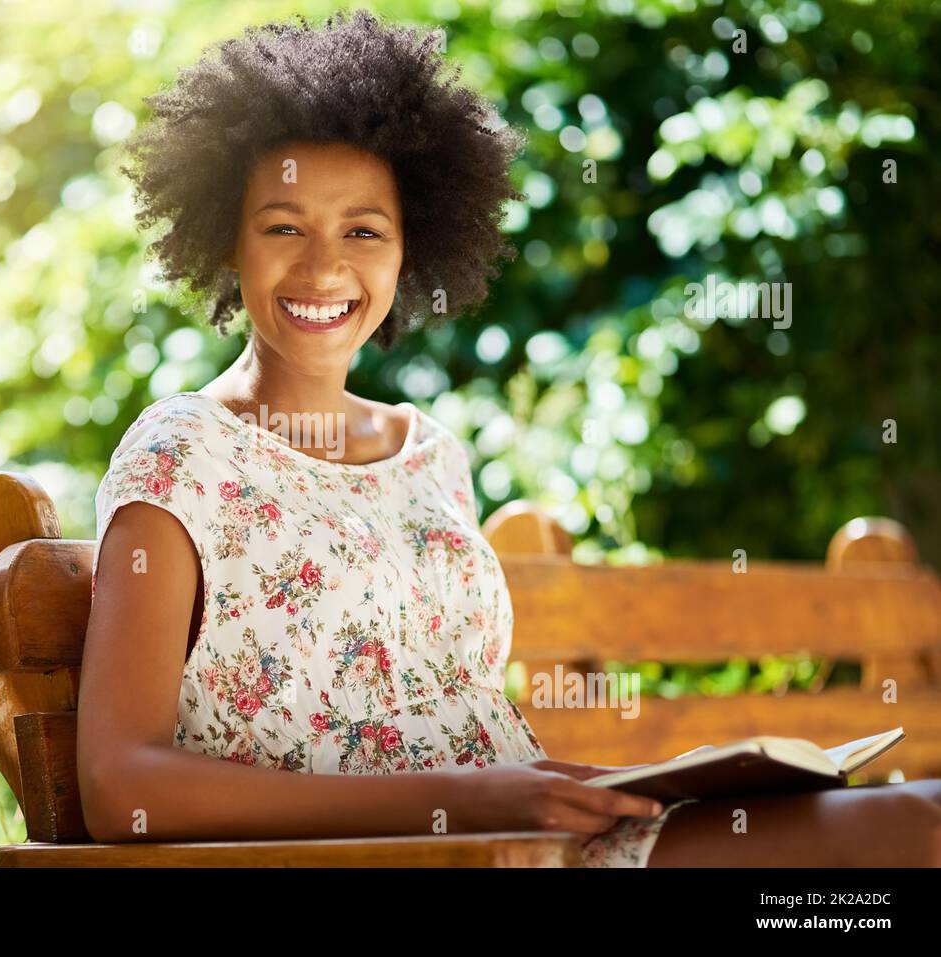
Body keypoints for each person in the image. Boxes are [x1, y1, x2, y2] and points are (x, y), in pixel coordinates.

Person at [77, 10, 941, 867]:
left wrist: (610, 781)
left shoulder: (432, 456)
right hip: (411, 859)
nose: (322, 267)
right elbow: (125, 788)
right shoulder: (183, 455)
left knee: (917, 814)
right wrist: (466, 800)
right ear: (227, 239)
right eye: (282, 225)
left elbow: (466, 723)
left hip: (536, 839)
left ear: (412, 247)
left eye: (364, 231)